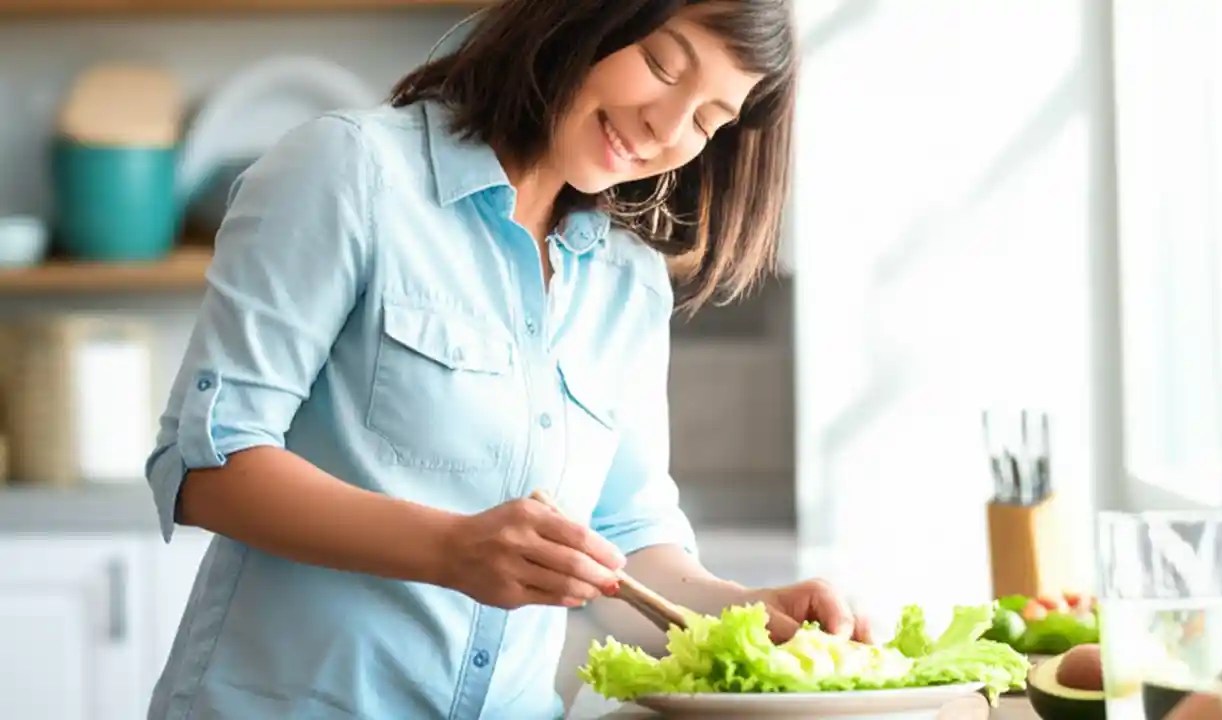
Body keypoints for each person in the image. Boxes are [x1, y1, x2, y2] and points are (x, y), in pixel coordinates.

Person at [145, 1, 865, 717]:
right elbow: (206, 466)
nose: (668, 128)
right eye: (660, 65)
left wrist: (743, 611)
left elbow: (625, 540)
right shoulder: (350, 172)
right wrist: (452, 548)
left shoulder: (628, 278)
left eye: (709, 119)